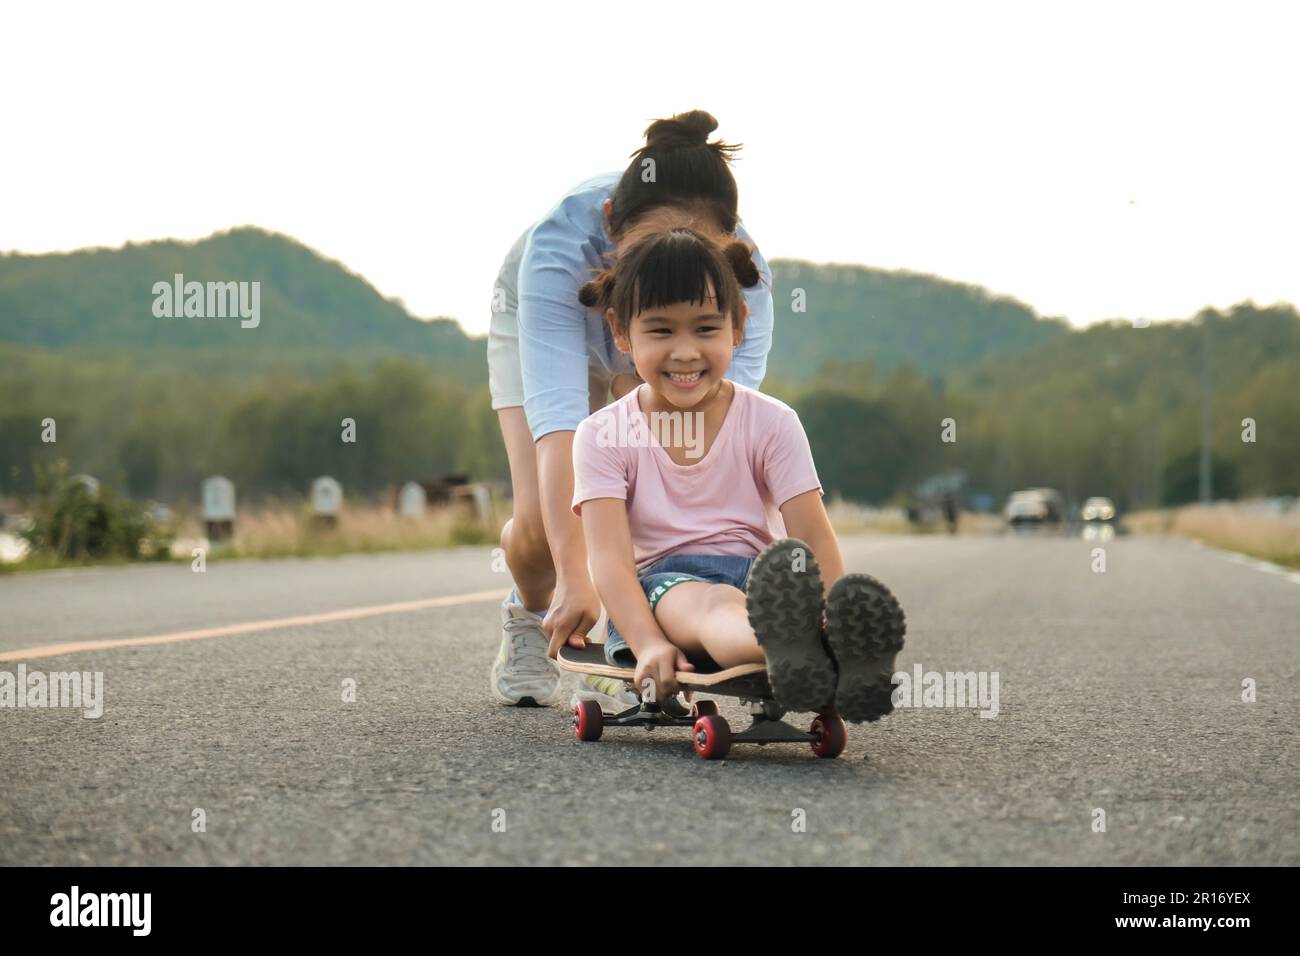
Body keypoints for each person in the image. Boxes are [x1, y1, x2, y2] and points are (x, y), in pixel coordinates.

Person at [487, 110, 775, 707]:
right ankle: (529, 612)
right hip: (542, 319)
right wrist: (574, 575)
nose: (665, 273)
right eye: (649, 252)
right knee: (544, 524)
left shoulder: (745, 280)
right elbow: (562, 424)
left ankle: (638, 638)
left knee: (655, 494)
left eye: (694, 255)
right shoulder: (556, 249)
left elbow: (723, 439)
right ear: (613, 221)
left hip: (667, 343)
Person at [570, 227, 906, 722]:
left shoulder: (772, 421)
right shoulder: (603, 434)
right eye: (661, 331)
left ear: (738, 326)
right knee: (716, 604)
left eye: (705, 329)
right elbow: (610, 561)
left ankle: (837, 645)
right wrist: (646, 643)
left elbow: (811, 532)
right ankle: (787, 646)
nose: (685, 352)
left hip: (765, 577)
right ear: (621, 332)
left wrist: (832, 605)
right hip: (662, 590)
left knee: (785, 577)